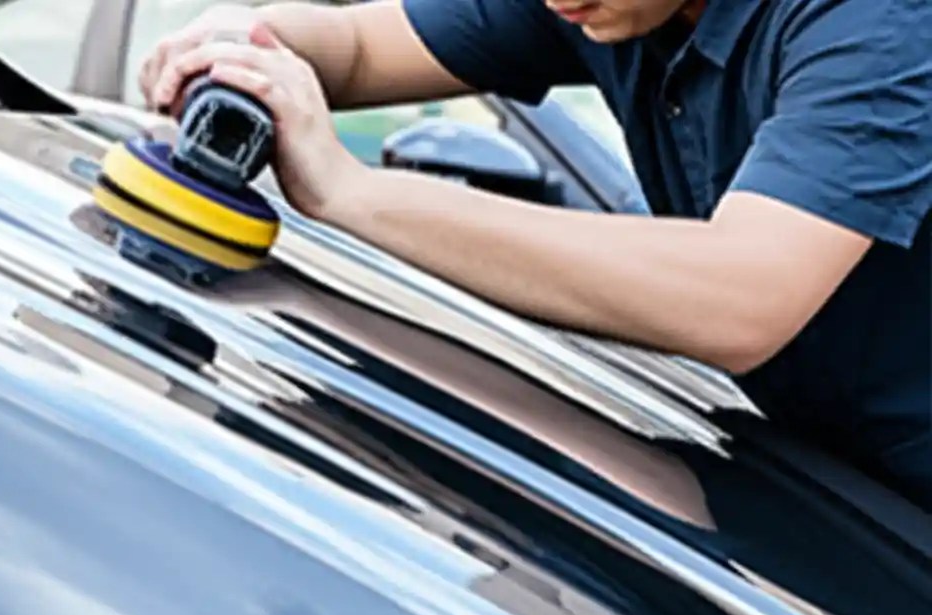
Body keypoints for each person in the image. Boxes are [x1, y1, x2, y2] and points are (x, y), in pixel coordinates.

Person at [137, 0, 931, 505]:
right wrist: (248, 43)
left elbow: (741, 296)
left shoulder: (876, 23)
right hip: (834, 489)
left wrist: (349, 191)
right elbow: (354, 46)